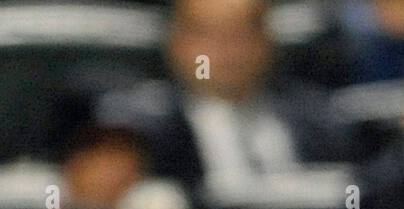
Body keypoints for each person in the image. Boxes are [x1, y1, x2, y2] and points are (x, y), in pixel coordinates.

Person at [97, 0, 355, 190]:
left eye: (243, 33)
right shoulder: (138, 134)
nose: (227, 50)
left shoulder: (322, 122)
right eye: (207, 34)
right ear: (176, 42)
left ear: (269, 39)